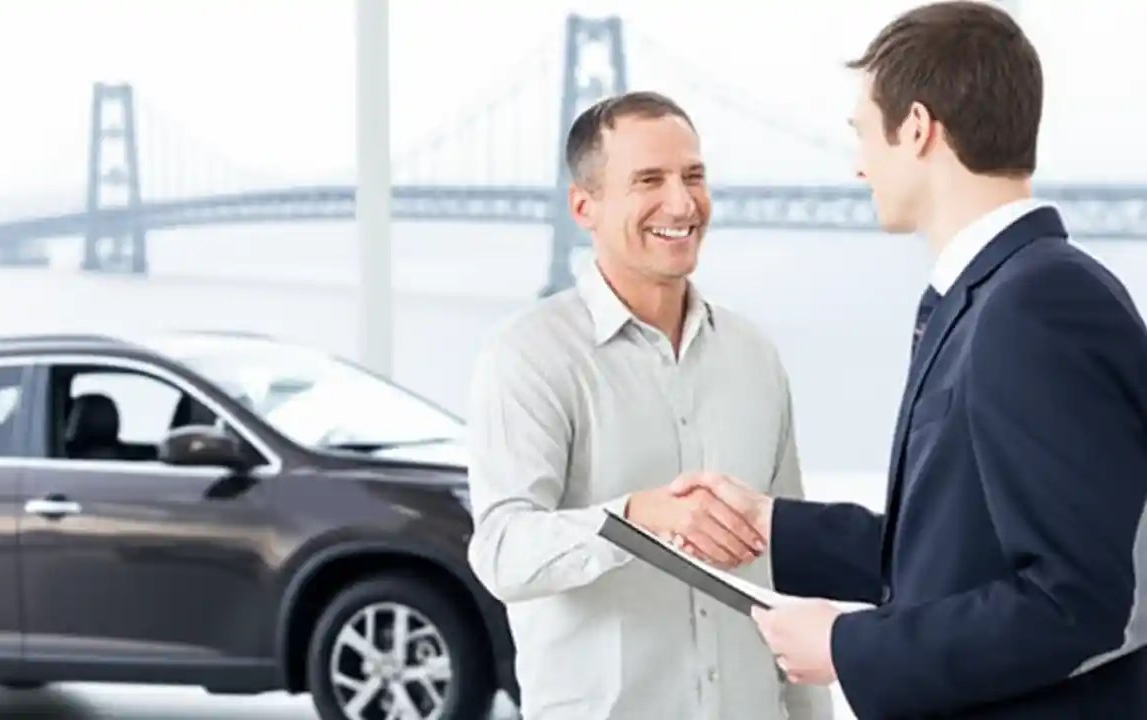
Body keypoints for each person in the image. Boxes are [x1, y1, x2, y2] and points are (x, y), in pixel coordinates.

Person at [674, 2, 1147, 718]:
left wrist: (847, 647)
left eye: (864, 133)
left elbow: (1074, 603)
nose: (859, 165)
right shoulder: (1000, 292)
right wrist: (772, 525)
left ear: (919, 128)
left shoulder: (1036, 304)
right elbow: (959, 553)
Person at [464, 91, 833, 719]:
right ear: (584, 207)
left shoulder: (754, 357)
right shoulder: (529, 357)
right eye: (649, 180)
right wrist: (634, 519)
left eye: (693, 176)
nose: (683, 203)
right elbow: (502, 552)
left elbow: (789, 572)